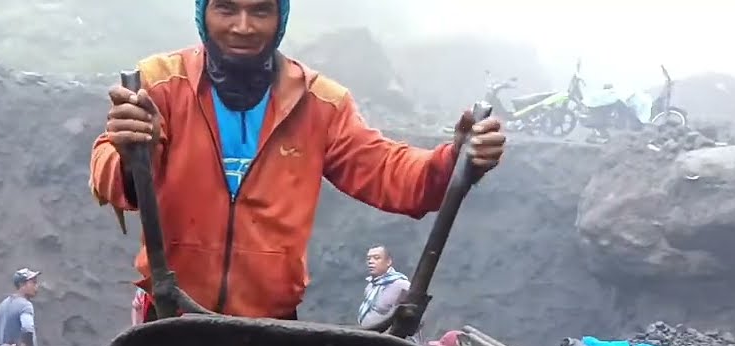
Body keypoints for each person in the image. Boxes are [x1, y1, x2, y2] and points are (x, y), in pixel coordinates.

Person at [91, 0, 507, 323]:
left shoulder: (318, 102)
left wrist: (455, 161)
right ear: (203, 13)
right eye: (226, 8)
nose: (243, 26)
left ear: (281, 17)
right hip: (169, 314)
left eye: (260, 11)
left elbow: (388, 172)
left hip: (270, 327)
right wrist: (131, 155)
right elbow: (106, 167)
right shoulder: (161, 83)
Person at [357, 245, 410, 328]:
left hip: (386, 335)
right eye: (368, 259)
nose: (371, 261)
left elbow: (412, 316)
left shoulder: (401, 285)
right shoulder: (371, 286)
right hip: (364, 333)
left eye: (376, 258)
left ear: (388, 262)